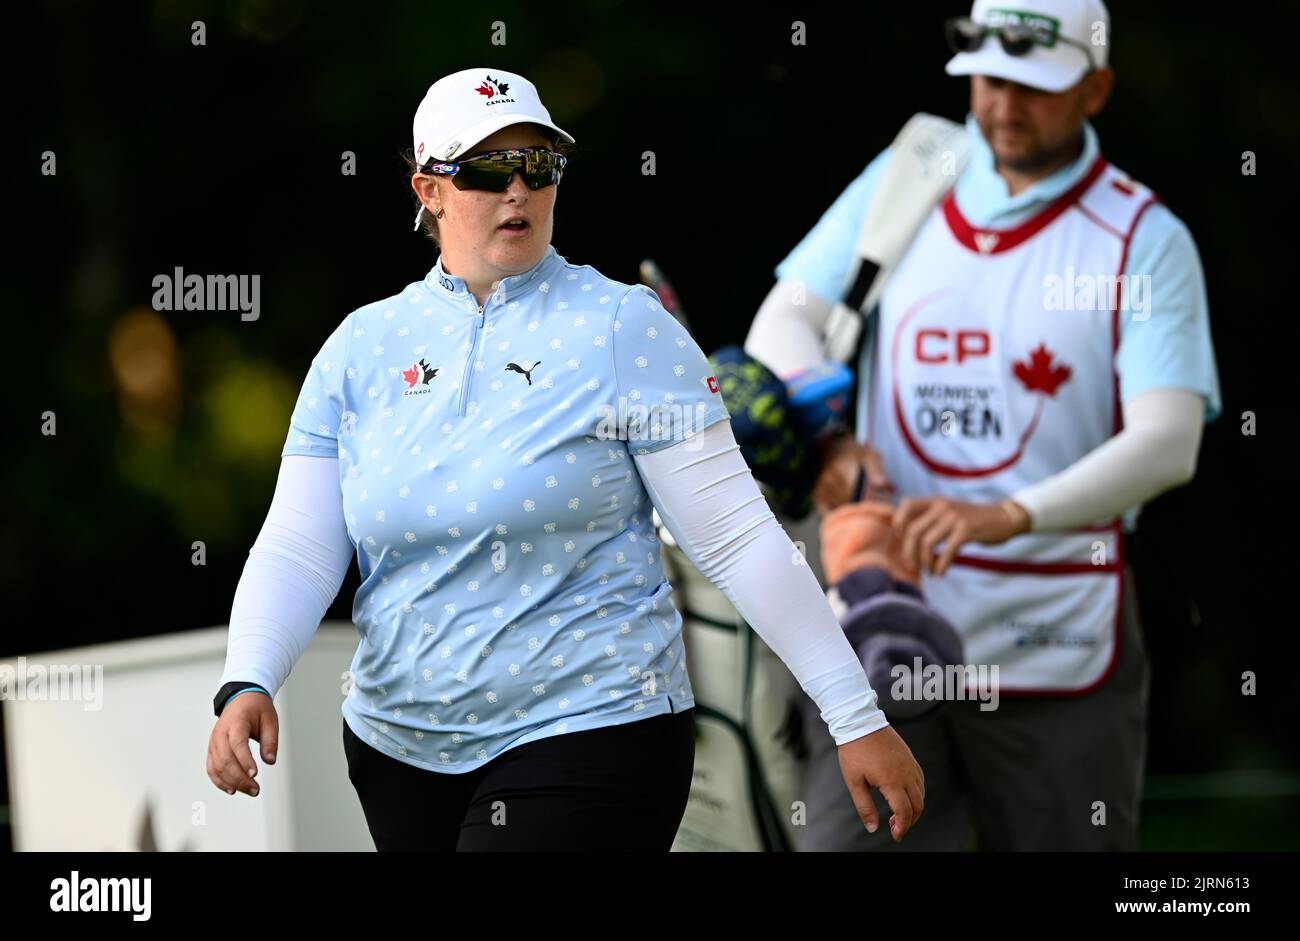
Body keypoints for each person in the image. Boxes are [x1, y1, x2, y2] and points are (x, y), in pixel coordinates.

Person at [205, 67, 924, 851]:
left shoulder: (626, 326)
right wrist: (248, 677)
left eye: (538, 166)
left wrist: (855, 713)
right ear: (429, 189)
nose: (519, 189)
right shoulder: (358, 348)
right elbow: (302, 544)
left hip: (596, 728)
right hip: (397, 747)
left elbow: (739, 537)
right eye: (486, 168)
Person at [745, 0, 1221, 850]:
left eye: (1034, 86)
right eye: (989, 81)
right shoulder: (916, 171)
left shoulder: (1143, 238)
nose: (1003, 105)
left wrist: (1004, 514)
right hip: (882, 624)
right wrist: (831, 437)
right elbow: (783, 319)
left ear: (1097, 87)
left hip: (1054, 642)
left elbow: (1169, 439)